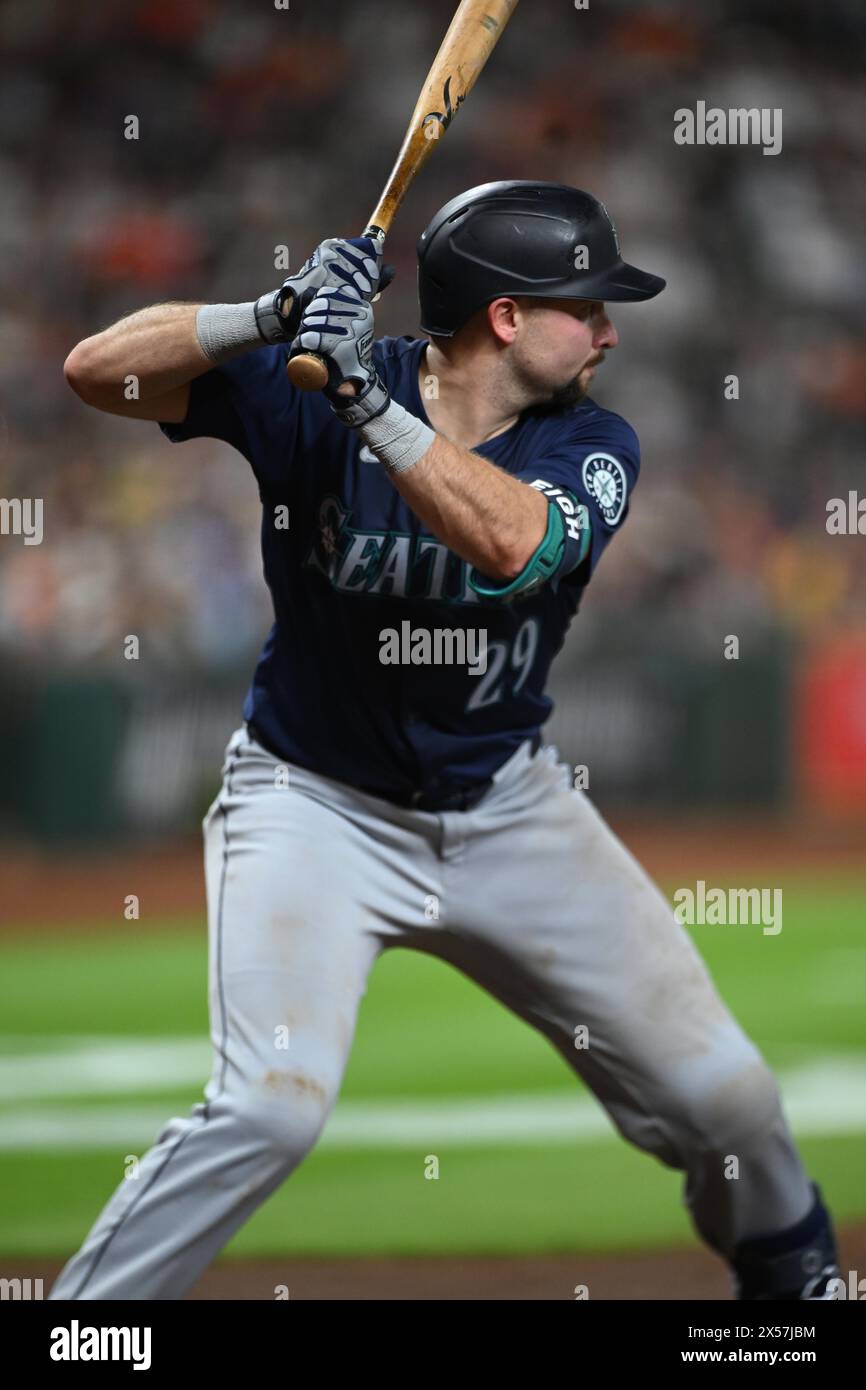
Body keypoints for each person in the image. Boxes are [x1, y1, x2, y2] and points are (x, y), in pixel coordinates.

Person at [52, 182, 840, 1301]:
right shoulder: (308, 381)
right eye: (587, 306)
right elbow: (95, 371)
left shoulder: (589, 435)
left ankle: (791, 1291)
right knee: (268, 1109)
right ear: (507, 317)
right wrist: (266, 316)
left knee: (729, 1103)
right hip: (310, 803)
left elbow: (515, 544)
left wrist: (371, 409)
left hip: (507, 808)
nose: (608, 331)